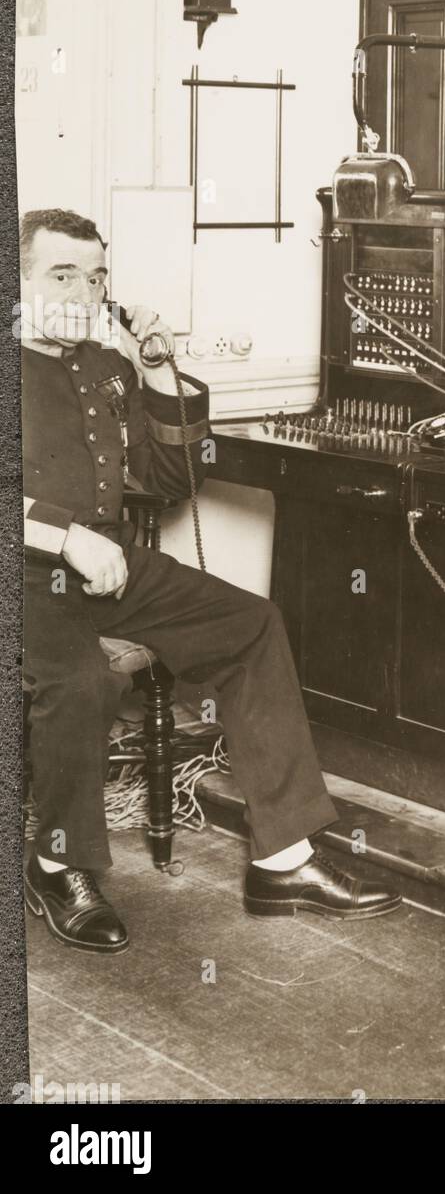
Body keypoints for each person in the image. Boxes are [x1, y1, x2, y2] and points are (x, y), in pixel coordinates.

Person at [20, 208, 401, 954]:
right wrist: (62, 537)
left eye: (96, 278)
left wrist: (158, 367)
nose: (84, 292)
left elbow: (172, 477)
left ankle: (281, 861)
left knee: (252, 624)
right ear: (20, 281)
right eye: (62, 275)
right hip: (27, 574)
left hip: (108, 561)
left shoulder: (104, 368)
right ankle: (56, 862)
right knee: (85, 682)